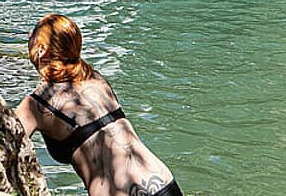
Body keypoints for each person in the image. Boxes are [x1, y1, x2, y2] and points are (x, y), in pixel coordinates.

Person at [16, 13, 182, 196]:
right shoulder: (96, 79)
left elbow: (5, 144)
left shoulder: (35, 104)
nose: (28, 38)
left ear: (42, 50)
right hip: (164, 183)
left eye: (32, 35)